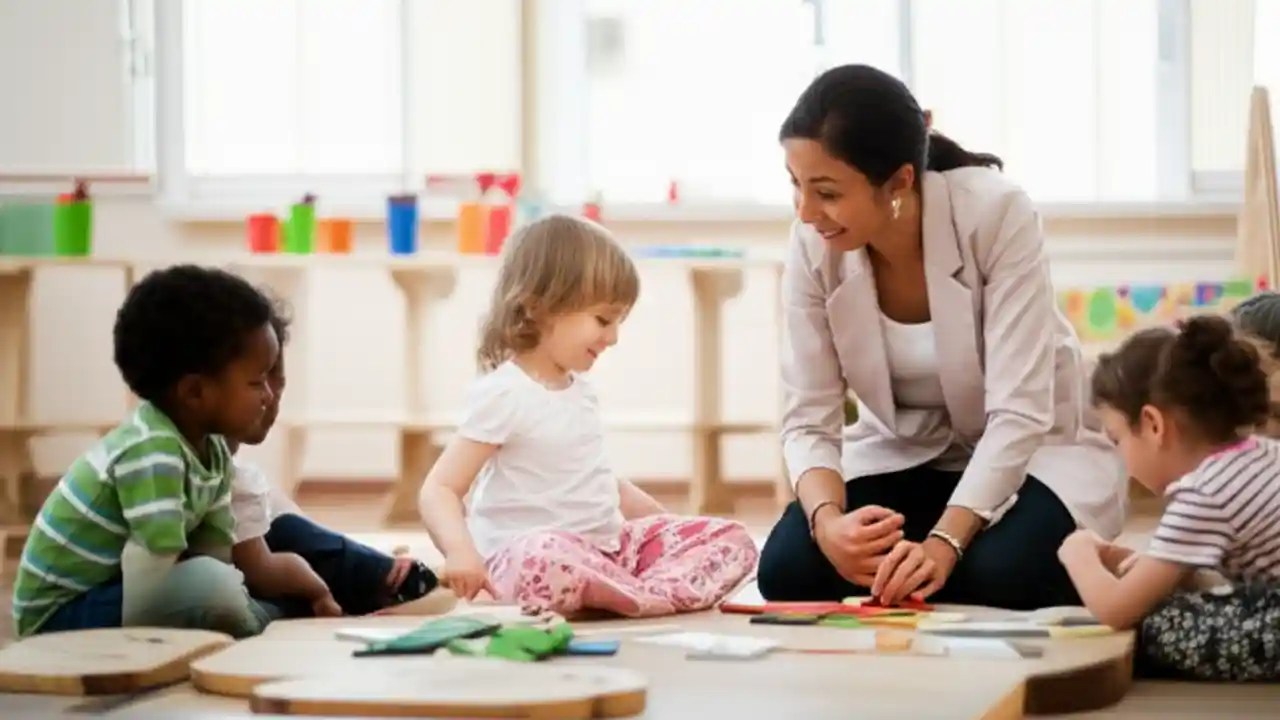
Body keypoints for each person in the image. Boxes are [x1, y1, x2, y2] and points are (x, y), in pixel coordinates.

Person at [758, 63, 1126, 610]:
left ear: (900, 181)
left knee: (1002, 576)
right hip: (906, 454)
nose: (807, 212)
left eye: (827, 192)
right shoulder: (812, 241)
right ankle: (927, 560)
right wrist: (829, 524)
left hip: (1032, 454)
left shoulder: (997, 213)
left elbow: (1019, 413)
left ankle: (1098, 567)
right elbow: (808, 415)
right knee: (789, 568)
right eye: (796, 185)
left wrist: (944, 542)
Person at [418, 214, 758, 617]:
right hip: (528, 556)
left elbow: (599, 484)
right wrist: (461, 553)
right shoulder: (506, 393)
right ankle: (634, 595)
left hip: (605, 552)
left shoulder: (580, 392)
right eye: (603, 320)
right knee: (544, 555)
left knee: (733, 538)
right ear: (539, 305)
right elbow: (439, 488)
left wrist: (666, 529)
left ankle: (623, 592)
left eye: (618, 322)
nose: (612, 337)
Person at [12, 265, 278, 638]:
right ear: (194, 392)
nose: (268, 395)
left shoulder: (213, 451)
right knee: (214, 588)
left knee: (217, 583)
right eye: (257, 381)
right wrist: (225, 602)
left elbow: (214, 550)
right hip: (63, 613)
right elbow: (151, 579)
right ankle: (261, 621)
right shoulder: (153, 449)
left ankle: (258, 617)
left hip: (123, 588)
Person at [1059, 315, 1280, 681]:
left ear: (1153, 425)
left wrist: (1077, 551)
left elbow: (1115, 610)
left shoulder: (1204, 493)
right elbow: (1199, 568)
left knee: (1158, 622)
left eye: (1117, 440)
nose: (1122, 460)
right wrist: (1144, 565)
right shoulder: (1258, 453)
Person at [228, 304, 438, 618]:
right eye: (257, 382)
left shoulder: (233, 472)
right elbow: (260, 561)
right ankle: (381, 577)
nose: (270, 397)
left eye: (277, 380)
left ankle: (371, 571)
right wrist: (319, 589)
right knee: (285, 532)